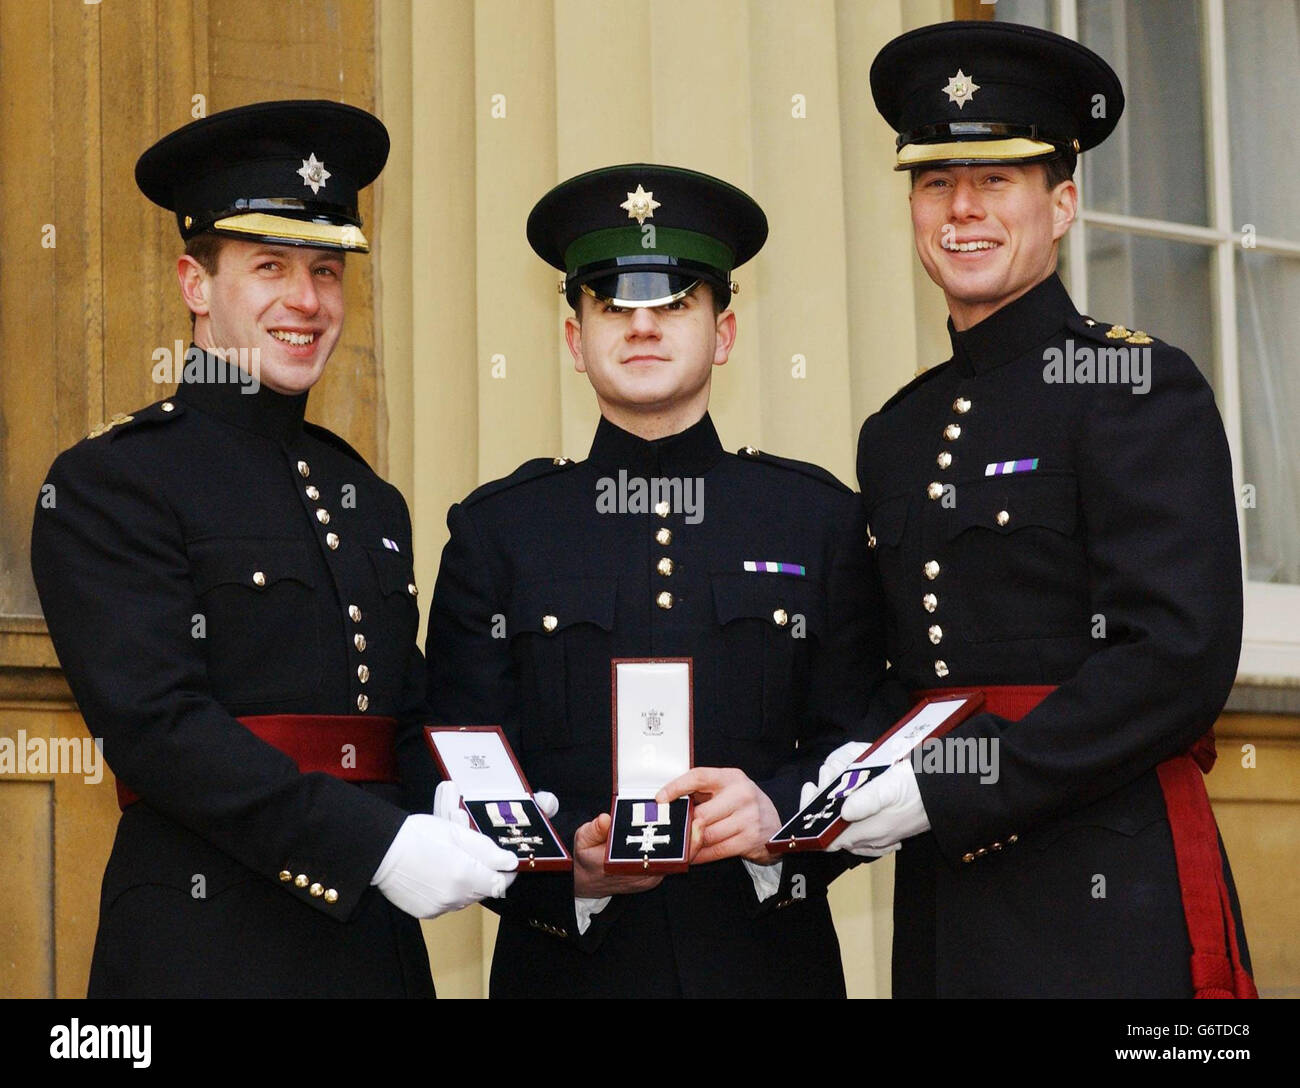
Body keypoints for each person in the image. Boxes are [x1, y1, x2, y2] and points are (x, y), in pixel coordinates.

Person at [30, 100, 519, 998]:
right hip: (205, 942)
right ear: (195, 282)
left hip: (374, 948)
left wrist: (462, 801)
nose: (307, 301)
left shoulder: (367, 495)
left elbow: (396, 714)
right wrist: (379, 844)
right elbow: (160, 731)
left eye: (327, 271)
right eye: (269, 266)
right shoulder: (111, 482)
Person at [820, 21, 1256, 998]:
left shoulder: (1133, 382)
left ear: (1060, 204)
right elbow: (895, 670)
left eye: (997, 179)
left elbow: (1174, 655)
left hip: (1104, 889)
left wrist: (950, 783)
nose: (962, 208)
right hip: (946, 891)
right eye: (935, 183)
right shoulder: (896, 428)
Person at [424, 164, 903, 998]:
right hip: (567, 972)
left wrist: (776, 817)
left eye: (676, 303)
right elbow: (456, 756)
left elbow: (864, 737)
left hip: (769, 963)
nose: (642, 325)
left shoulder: (814, 519)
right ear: (575, 341)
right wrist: (564, 868)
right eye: (611, 305)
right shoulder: (499, 530)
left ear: (723, 333)